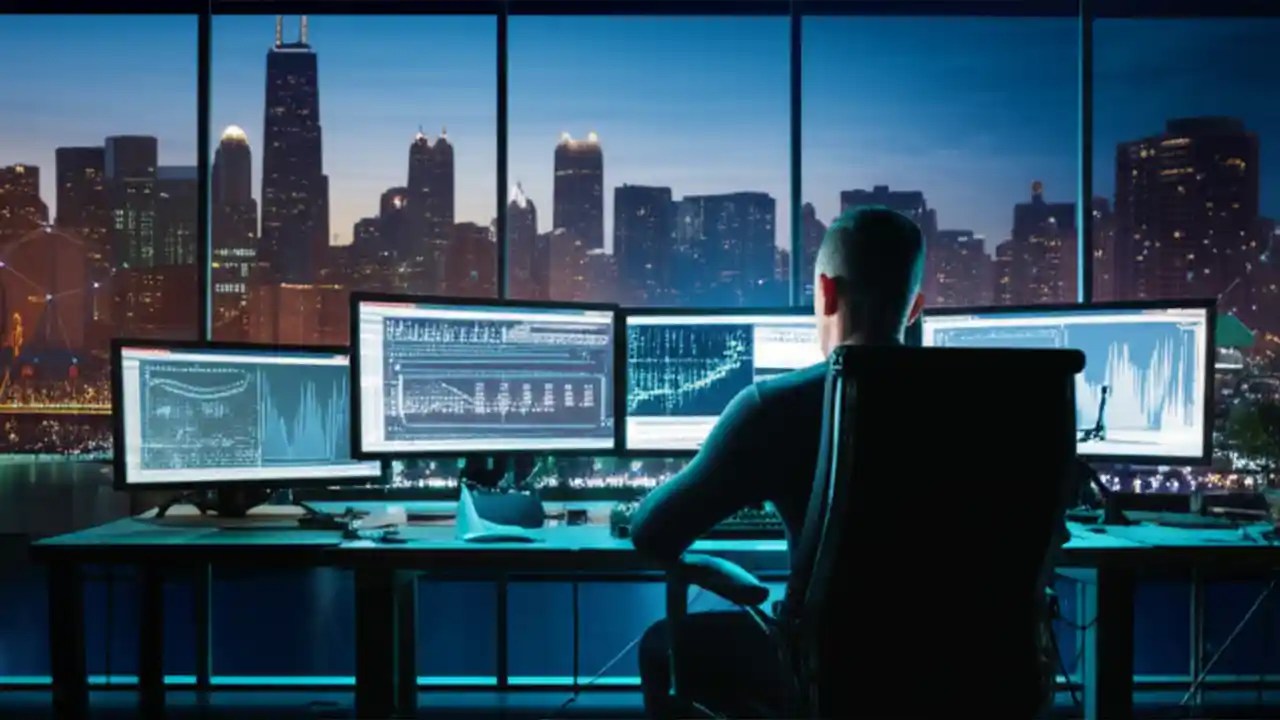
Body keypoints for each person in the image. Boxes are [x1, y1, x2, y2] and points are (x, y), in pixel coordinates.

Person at [628, 206, 927, 718]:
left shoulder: (777, 408)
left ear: (827, 292)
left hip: (831, 674)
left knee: (662, 645)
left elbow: (652, 532)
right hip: (976, 674)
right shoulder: (995, 403)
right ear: (916, 307)